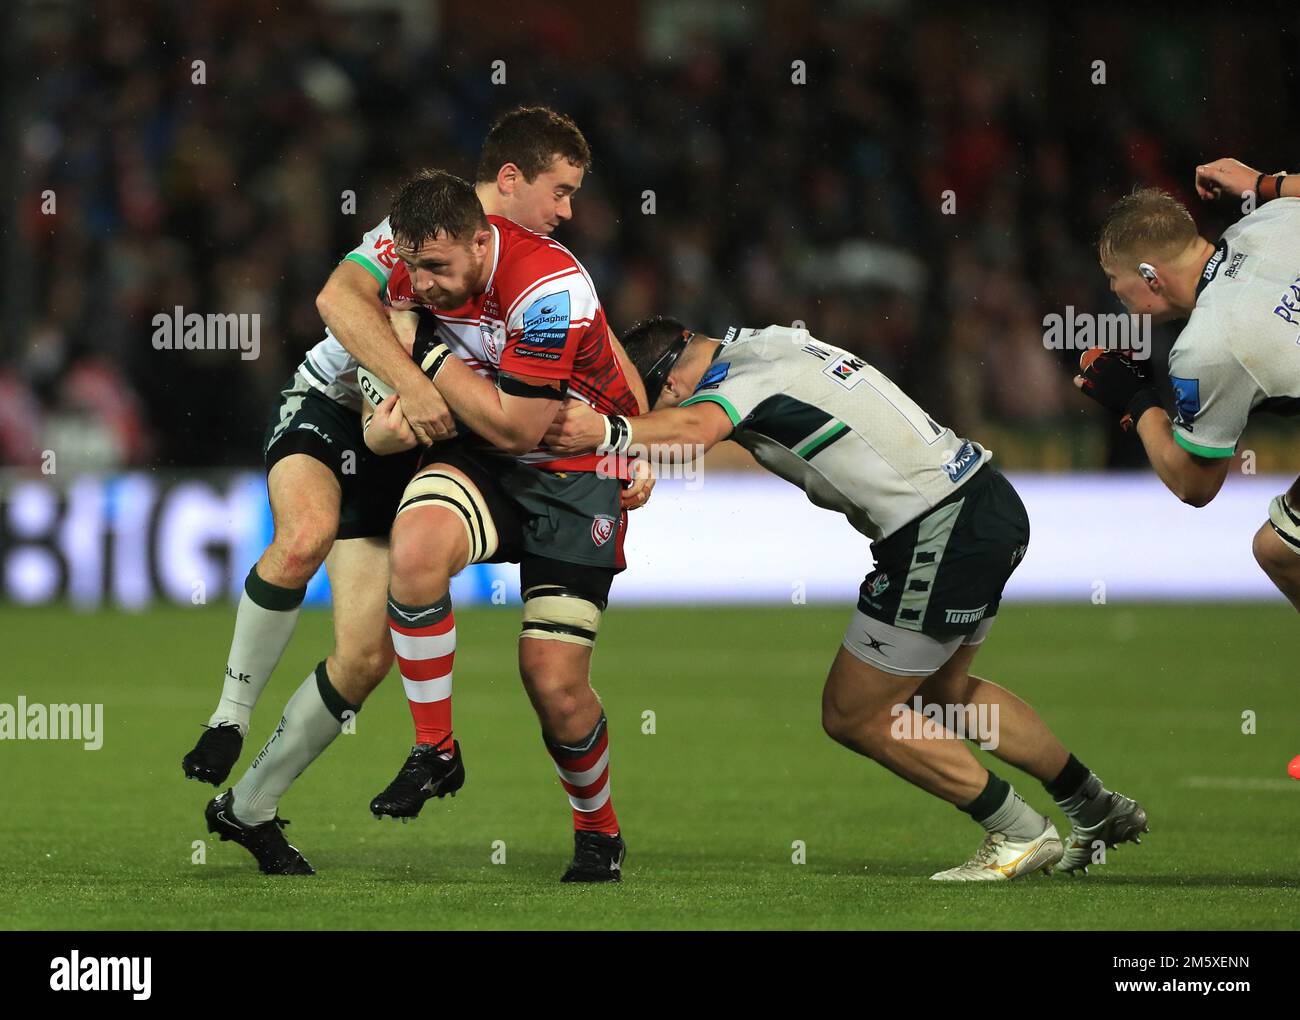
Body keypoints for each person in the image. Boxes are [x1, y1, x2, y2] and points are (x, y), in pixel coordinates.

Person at [189, 107, 646, 876]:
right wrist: (411, 376)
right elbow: (340, 305)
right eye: (560, 191)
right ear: (511, 180)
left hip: (459, 433)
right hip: (348, 408)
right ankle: (233, 718)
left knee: (369, 659)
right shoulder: (418, 237)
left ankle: (247, 808)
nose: (568, 209)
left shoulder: (545, 276)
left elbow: (596, 362)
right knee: (309, 537)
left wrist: (631, 440)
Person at [544, 318, 1148, 879]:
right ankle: (1092, 805)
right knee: (946, 693)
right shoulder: (766, 341)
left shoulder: (741, 376)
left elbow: (694, 429)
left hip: (936, 527)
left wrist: (602, 430)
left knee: (853, 712)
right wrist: (635, 452)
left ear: (671, 382)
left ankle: (1017, 831)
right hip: (982, 499)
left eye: (654, 400)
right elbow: (686, 430)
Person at [361, 169, 640, 882]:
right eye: (413, 266)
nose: (421, 284)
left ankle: (598, 830)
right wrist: (396, 403)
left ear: (482, 243)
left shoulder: (547, 287)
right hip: (479, 456)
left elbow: (521, 427)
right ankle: (436, 751)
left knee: (553, 681)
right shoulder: (409, 269)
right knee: (416, 549)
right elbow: (384, 422)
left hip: (575, 477)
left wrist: (426, 359)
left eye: (438, 268)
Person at [1079, 159, 1300, 609]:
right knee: (1283, 541)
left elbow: (1194, 485)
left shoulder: (1207, 345)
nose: (1115, 296)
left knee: (1279, 551)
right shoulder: (1274, 215)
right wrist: (1266, 184)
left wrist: (1135, 399)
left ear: (1148, 276)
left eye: (1113, 280)